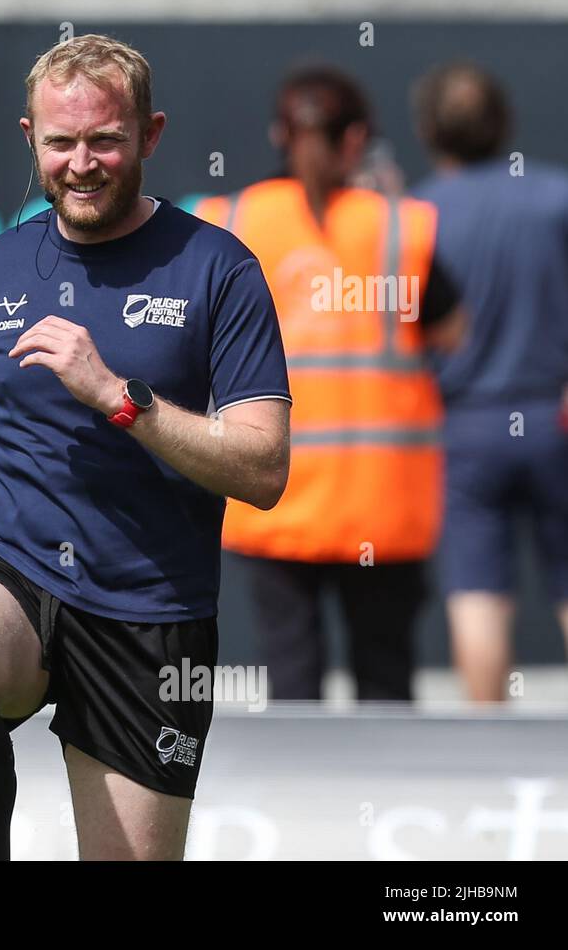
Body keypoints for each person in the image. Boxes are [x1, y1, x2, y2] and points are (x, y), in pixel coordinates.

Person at [0, 34, 291, 860]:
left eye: (106, 140)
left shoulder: (219, 269)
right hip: (15, 568)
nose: (83, 164)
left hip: (153, 615)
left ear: (150, 135)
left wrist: (121, 398)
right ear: (30, 139)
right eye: (62, 142)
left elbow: (263, 469)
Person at [195, 66, 463, 702]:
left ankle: (299, 803)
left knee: (291, 680)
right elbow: (451, 333)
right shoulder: (402, 225)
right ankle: (393, 803)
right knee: (386, 679)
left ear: (278, 134)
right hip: (383, 498)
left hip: (272, 491)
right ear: (358, 139)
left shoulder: (227, 220)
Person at [410, 62, 568, 701]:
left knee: (476, 595)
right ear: (503, 123)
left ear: (428, 131)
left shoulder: (416, 217)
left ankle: (487, 754)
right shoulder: (557, 198)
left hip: (463, 426)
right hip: (556, 419)